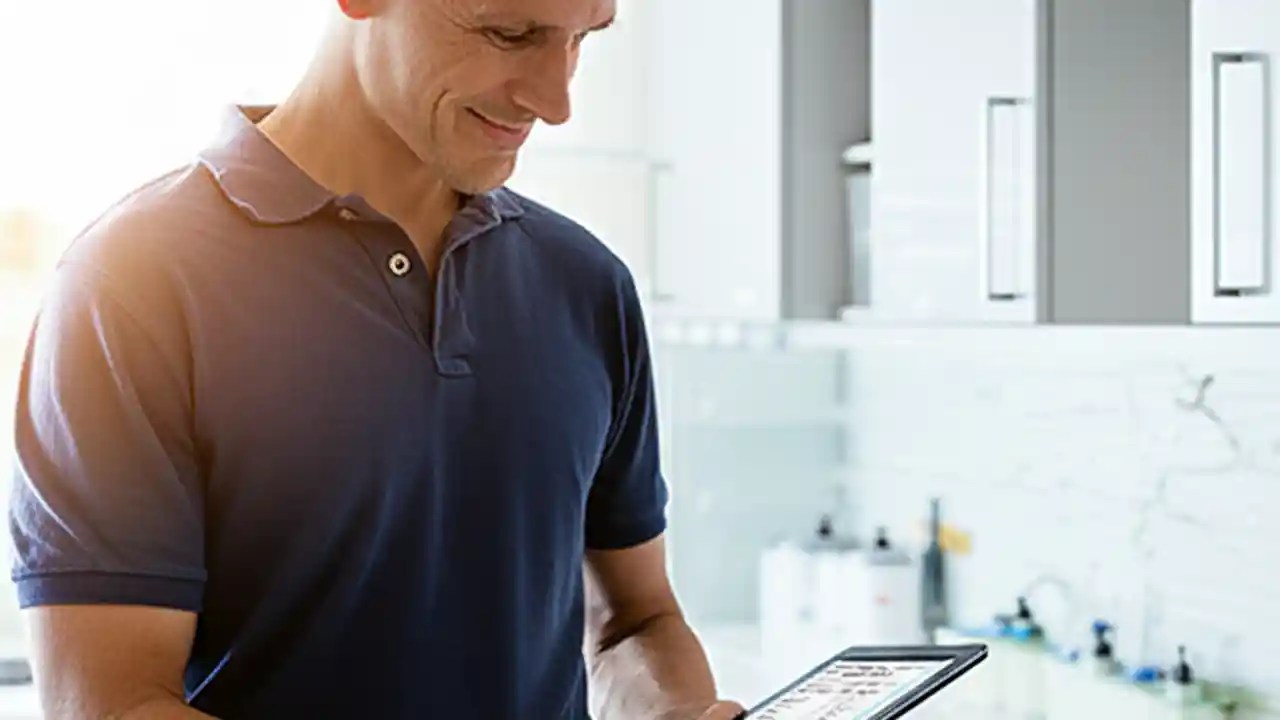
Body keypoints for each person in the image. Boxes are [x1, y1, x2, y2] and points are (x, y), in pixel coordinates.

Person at [8, 0, 745, 717]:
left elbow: (633, 624)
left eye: (584, 40)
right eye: (511, 32)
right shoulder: (132, 284)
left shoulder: (587, 285)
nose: (555, 102)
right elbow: (111, 704)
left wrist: (675, 711)